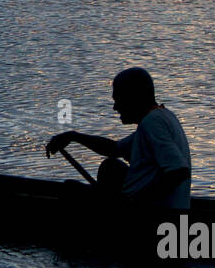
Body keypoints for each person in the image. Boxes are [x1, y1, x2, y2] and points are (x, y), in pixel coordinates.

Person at [45, 67, 191, 210]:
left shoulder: (152, 123)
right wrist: (73, 136)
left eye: (118, 100)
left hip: (156, 214)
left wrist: (136, 200)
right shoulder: (162, 117)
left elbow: (179, 172)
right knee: (111, 168)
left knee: (70, 190)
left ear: (133, 98)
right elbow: (114, 149)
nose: (115, 108)